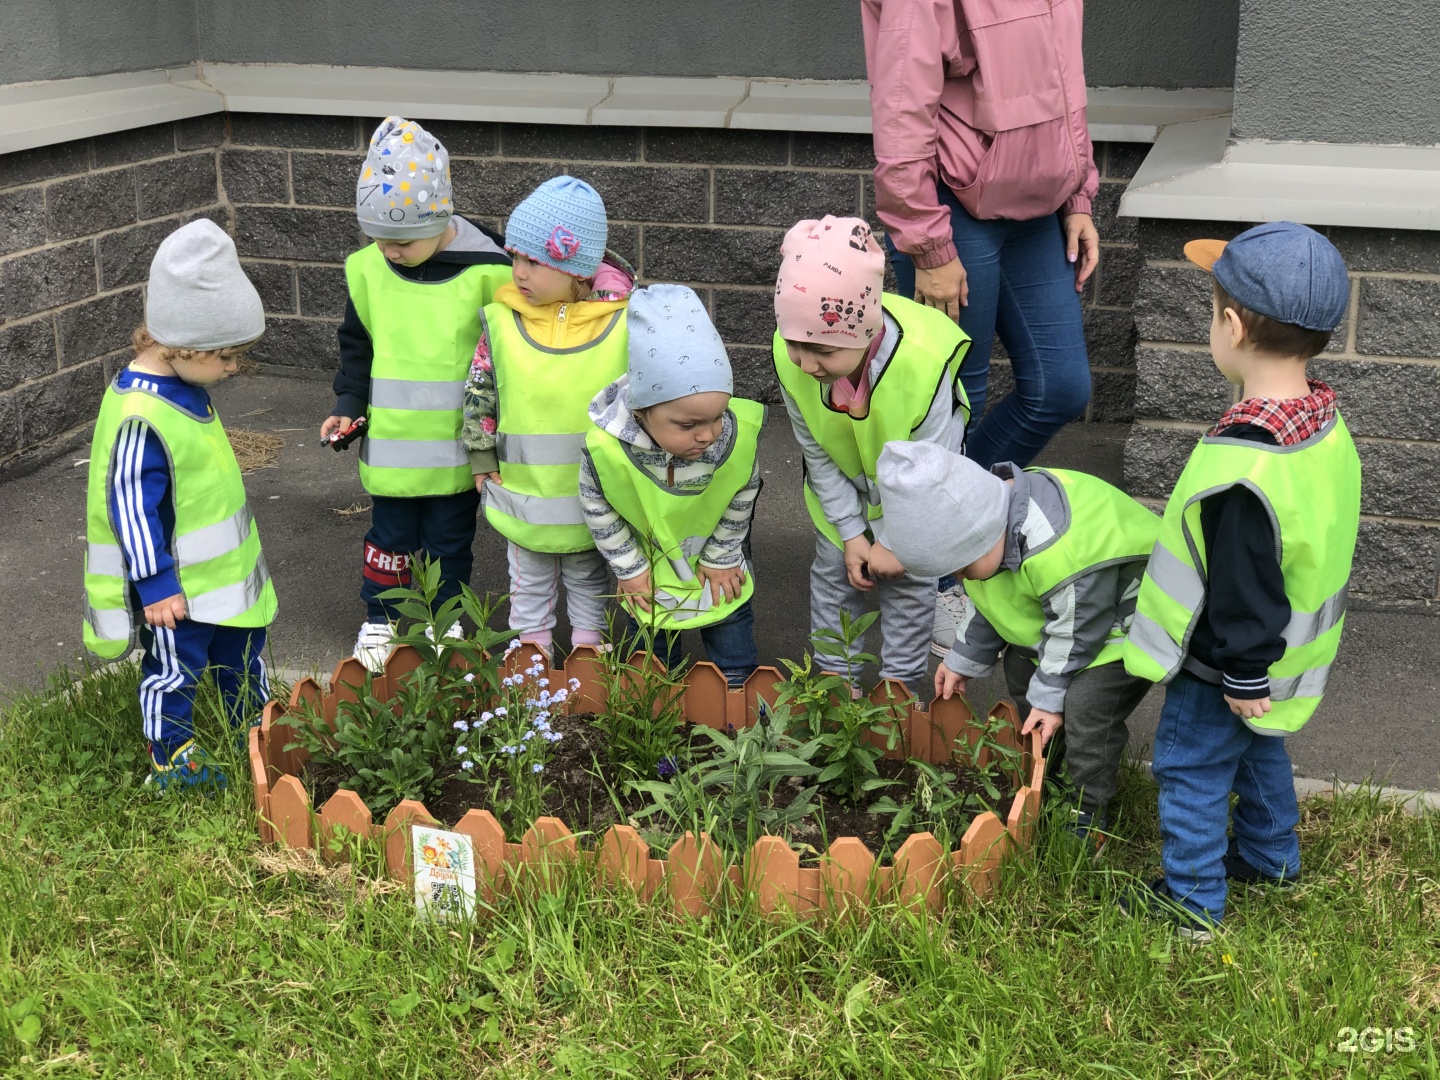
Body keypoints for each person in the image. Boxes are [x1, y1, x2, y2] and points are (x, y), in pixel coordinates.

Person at [1120, 222, 1360, 940]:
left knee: (1191, 767)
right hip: (1284, 653)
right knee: (1258, 749)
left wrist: (1241, 673)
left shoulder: (1244, 464)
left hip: (1222, 659)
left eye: (1209, 310)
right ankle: (1270, 857)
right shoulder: (1322, 422)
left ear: (1231, 325)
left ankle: (1193, 902)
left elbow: (1243, 582)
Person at [861, 0, 1101, 658]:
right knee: (950, 407)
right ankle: (938, 577)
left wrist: (1079, 193)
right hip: (952, 208)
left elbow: (1066, 80)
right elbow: (903, 103)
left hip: (1038, 206)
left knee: (1059, 387)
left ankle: (947, 529)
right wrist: (927, 245)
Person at [876, 442, 1158, 845]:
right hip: (1064, 618)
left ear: (983, 535)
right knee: (1023, 670)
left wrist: (1052, 696)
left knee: (1085, 707)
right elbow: (992, 603)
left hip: (1123, 624)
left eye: (960, 568)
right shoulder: (990, 527)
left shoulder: (1056, 549)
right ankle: (1049, 768)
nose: (960, 580)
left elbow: (1075, 634)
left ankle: (1086, 811)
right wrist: (962, 659)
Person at [82, 219, 277, 791]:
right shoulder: (140, 416)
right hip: (177, 593)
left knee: (242, 650)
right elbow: (131, 507)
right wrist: (156, 583)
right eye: (224, 357)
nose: (232, 368)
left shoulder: (183, 386)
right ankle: (172, 755)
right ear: (179, 345)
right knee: (175, 669)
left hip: (219, 579)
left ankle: (257, 728)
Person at [324, 117, 513, 671]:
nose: (389, 252)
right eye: (377, 238)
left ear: (441, 217)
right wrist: (347, 407)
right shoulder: (368, 270)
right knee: (388, 541)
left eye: (402, 241)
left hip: (458, 453)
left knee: (451, 541)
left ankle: (444, 620)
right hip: (392, 451)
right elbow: (357, 349)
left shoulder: (488, 271)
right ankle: (380, 618)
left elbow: (504, 360)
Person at [772, 216, 969, 695]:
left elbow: (931, 473)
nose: (805, 363)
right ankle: (837, 695)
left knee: (910, 591)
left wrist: (897, 543)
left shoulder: (923, 364)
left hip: (919, 504)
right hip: (845, 495)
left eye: (821, 350)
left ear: (863, 329)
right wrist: (852, 533)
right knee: (836, 583)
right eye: (795, 345)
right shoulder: (792, 355)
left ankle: (898, 696)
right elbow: (817, 453)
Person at [463, 176, 635, 663]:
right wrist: (480, 452)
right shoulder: (503, 320)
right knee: (528, 577)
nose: (518, 272)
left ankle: (588, 653)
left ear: (578, 271)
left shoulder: (619, 323)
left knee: (588, 576)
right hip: (526, 491)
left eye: (534, 262)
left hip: (594, 497)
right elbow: (480, 389)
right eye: (515, 256)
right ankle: (531, 653)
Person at [580, 284, 763, 686]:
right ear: (642, 410)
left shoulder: (731, 438)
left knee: (731, 634)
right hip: (648, 568)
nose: (708, 435)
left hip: (718, 560)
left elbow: (742, 490)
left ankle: (738, 702)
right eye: (688, 425)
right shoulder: (608, 450)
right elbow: (597, 504)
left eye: (718, 415)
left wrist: (722, 556)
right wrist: (627, 568)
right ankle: (655, 710)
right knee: (650, 657)